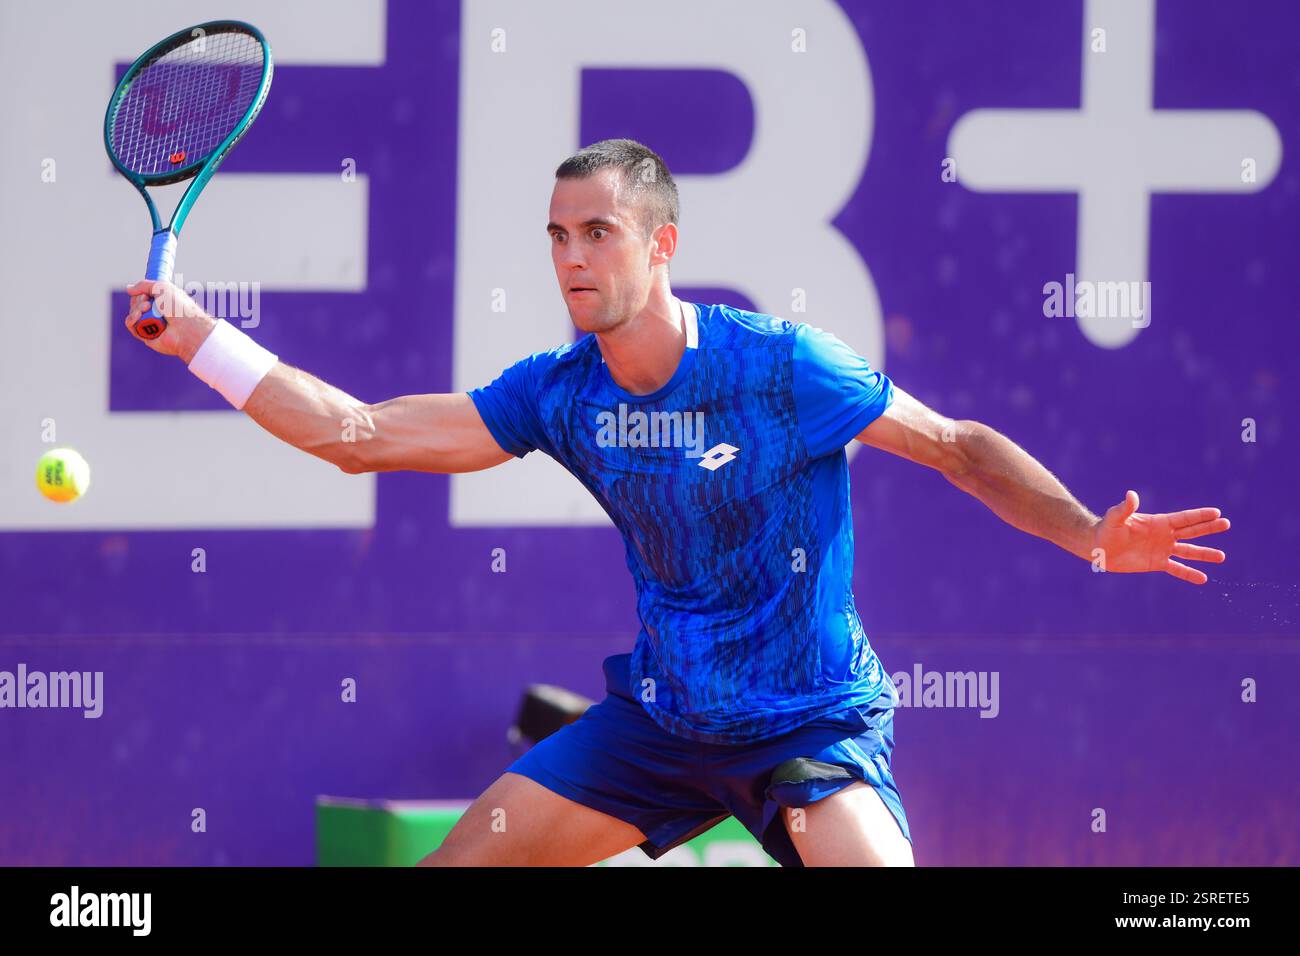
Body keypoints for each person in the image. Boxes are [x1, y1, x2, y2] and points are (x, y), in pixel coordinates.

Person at [124, 139, 1230, 867]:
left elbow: (954, 446)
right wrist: (200, 339)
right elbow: (355, 435)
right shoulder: (556, 391)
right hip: (657, 723)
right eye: (557, 235)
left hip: (812, 722)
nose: (570, 256)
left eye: (596, 231)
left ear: (661, 246)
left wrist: (1089, 533)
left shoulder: (783, 367)